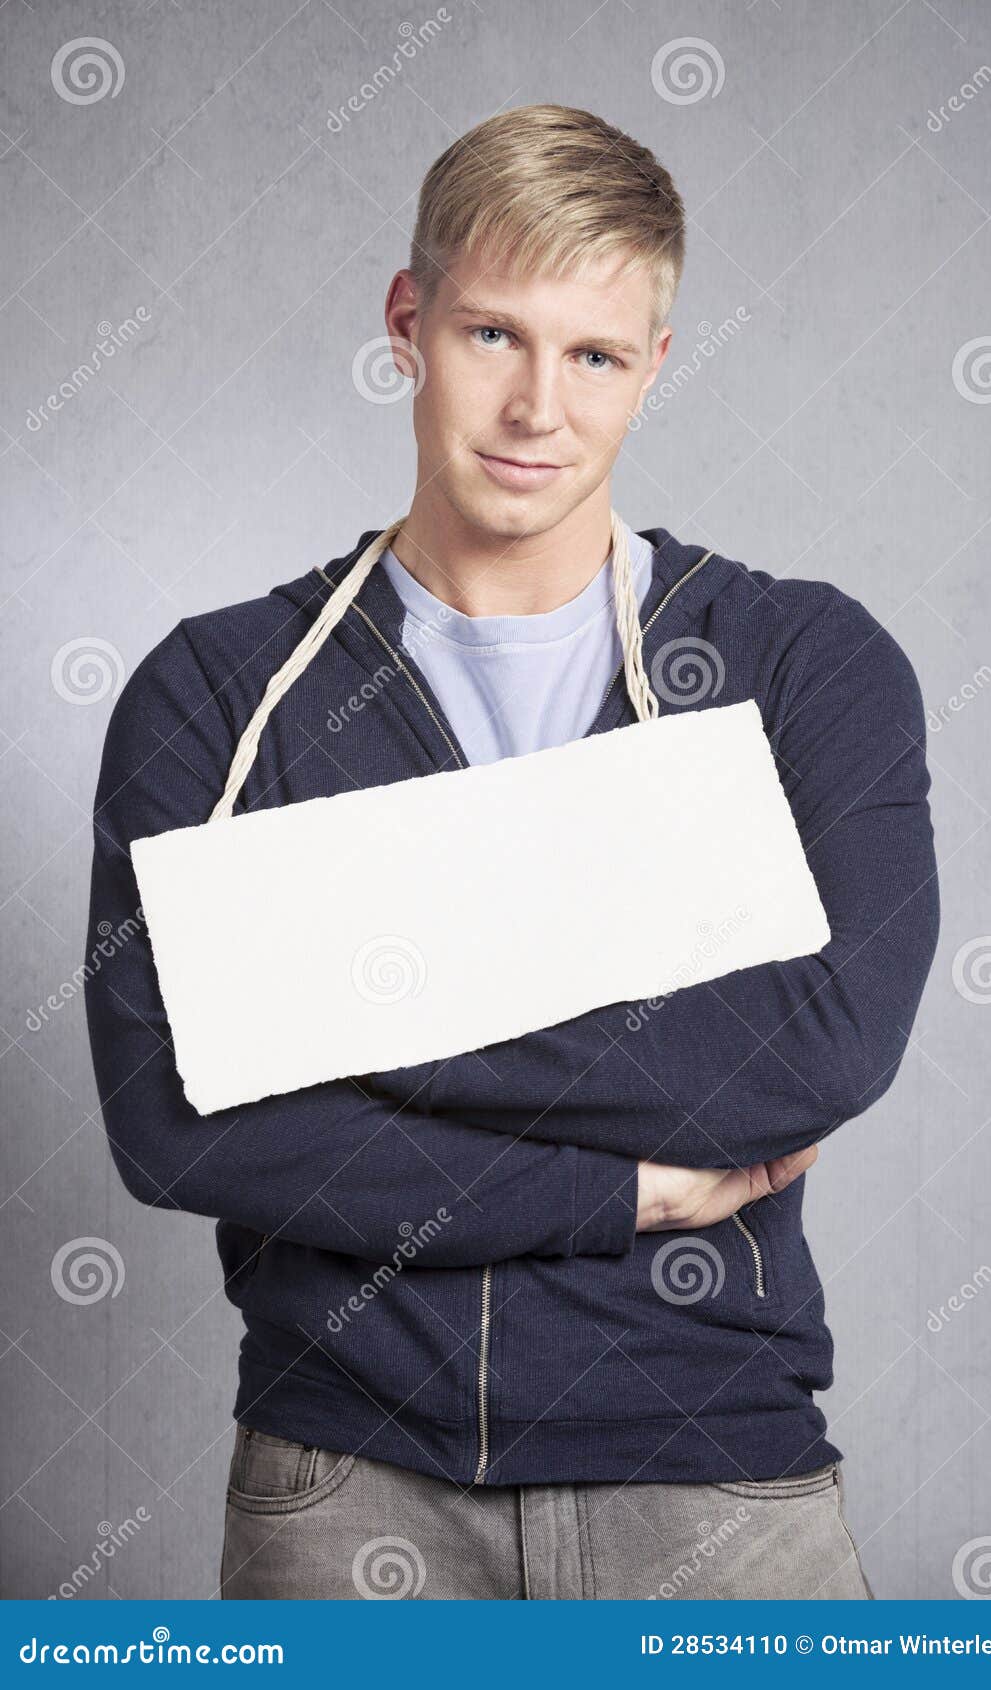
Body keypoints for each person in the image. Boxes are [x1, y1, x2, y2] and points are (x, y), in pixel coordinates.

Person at [84, 104, 939, 1601]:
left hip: (715, 1472)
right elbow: (173, 1116)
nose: (537, 406)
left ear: (652, 367)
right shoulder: (213, 696)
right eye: (493, 334)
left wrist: (319, 996)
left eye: (593, 354)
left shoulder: (800, 664)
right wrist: (622, 1190)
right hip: (346, 1485)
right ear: (407, 323)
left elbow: (821, 1044)